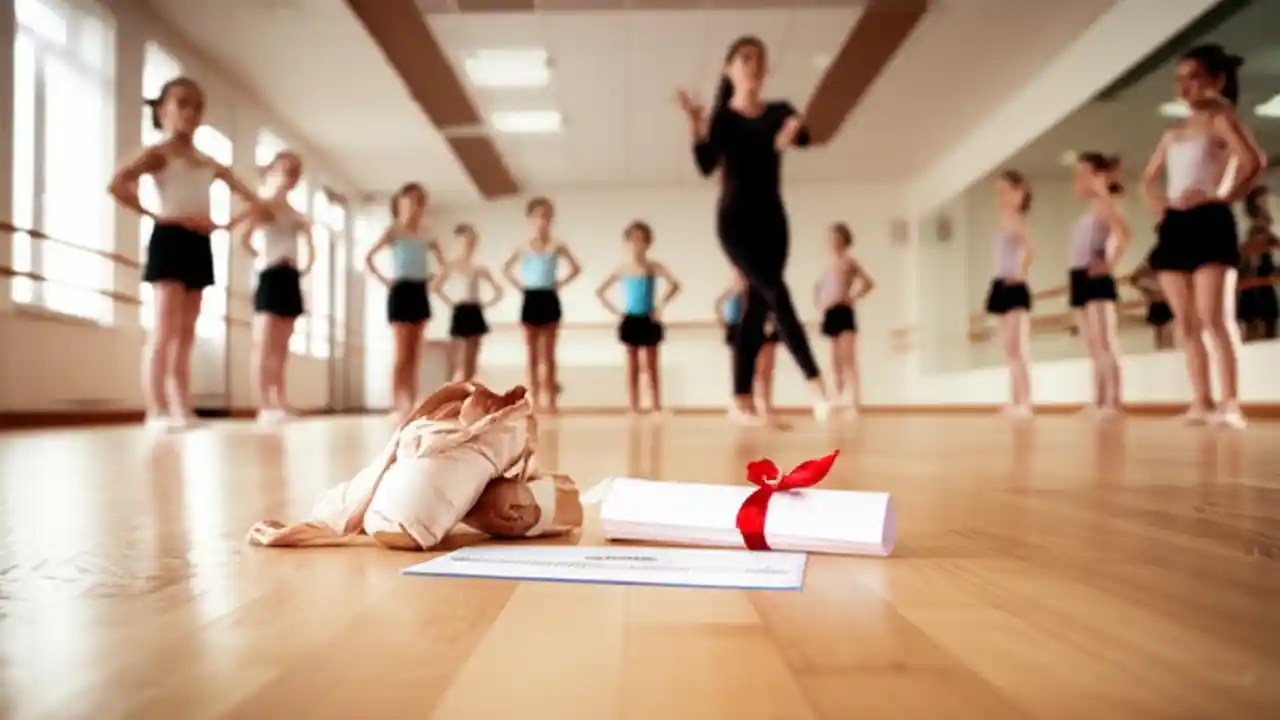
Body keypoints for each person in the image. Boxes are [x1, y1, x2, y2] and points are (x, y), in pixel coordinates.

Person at [678, 35, 831, 425]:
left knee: (757, 307)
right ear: (730, 68)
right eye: (744, 58)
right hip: (735, 222)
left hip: (773, 221)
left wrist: (791, 134)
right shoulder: (724, 119)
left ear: (765, 71)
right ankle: (817, 386)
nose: (752, 64)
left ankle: (741, 400)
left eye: (758, 59)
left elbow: (807, 137)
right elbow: (706, 164)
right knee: (777, 293)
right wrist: (697, 125)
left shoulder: (779, 111)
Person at [107, 76, 261, 432]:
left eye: (196, 105)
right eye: (182, 103)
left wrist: (222, 224)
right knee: (164, 328)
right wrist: (155, 215)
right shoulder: (157, 154)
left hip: (199, 243)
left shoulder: (209, 162)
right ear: (163, 110)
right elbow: (117, 184)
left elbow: (252, 200)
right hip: (169, 238)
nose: (190, 111)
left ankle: (181, 407)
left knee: (187, 330)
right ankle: (156, 408)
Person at [1140, 44, 1266, 428]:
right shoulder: (1172, 132)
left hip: (1211, 220)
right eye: (1179, 79)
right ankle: (1201, 401)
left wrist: (1223, 197)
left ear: (1217, 80)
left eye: (1193, 77)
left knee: (1214, 316)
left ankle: (1231, 404)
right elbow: (1147, 179)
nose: (1184, 87)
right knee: (1187, 321)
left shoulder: (1222, 120)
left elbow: (1254, 161)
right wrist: (1158, 203)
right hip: (1176, 225)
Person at [237, 151, 314, 426]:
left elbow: (309, 244)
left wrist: (305, 262)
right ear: (272, 171)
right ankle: (263, 405)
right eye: (285, 169)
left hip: (290, 277)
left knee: (282, 345)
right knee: (265, 342)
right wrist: (263, 259)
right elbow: (244, 238)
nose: (289, 176)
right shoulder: (264, 206)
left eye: (295, 172)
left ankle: (279, 400)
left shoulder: (295, 214)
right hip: (271, 274)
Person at [364, 183, 445, 419]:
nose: (415, 206)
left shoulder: (427, 234)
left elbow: (443, 264)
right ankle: (397, 402)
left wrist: (434, 281)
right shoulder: (393, 232)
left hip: (419, 290)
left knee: (415, 351)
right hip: (400, 290)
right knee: (402, 351)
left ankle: (410, 400)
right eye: (410, 201)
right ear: (400, 203)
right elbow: (369, 258)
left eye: (420, 202)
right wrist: (386, 281)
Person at [502, 197, 582, 414]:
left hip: (549, 297)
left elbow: (576, 267)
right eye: (538, 216)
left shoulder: (557, 245)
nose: (542, 220)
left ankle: (551, 401)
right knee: (532, 354)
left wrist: (560, 283)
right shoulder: (524, 246)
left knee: (549, 354)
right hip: (531, 298)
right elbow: (506, 269)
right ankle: (534, 399)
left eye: (546, 216)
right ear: (530, 219)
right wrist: (521, 286)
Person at [1068, 153, 1132, 416]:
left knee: (1105, 340)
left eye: (1084, 174)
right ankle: (1098, 399)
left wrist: (1109, 264)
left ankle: (1113, 401)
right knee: (1092, 343)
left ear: (1099, 177)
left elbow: (1124, 234)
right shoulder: (1092, 208)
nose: (1078, 180)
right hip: (1078, 275)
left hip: (1096, 276)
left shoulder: (1107, 204)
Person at [595, 221, 682, 415]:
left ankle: (655, 405)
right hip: (631, 318)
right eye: (633, 239)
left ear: (648, 243)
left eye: (641, 239)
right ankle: (633, 405)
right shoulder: (623, 268)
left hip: (649, 318)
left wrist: (660, 305)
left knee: (652, 364)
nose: (637, 244)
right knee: (632, 364)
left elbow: (675, 284)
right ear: (627, 243)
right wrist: (617, 312)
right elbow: (600, 291)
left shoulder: (653, 266)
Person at [985, 170, 1035, 420]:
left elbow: (1030, 249)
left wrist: (1020, 272)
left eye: (1005, 192)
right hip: (1001, 285)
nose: (1001, 197)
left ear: (1019, 194)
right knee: (1008, 348)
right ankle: (1014, 400)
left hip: (1014, 287)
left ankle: (1024, 402)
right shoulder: (1004, 220)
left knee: (1017, 347)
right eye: (998, 193)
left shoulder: (1015, 219)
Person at [814, 222, 875, 412]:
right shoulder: (828, 266)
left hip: (844, 311)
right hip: (830, 313)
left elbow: (868, 282)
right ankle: (837, 398)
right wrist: (820, 304)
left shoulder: (849, 262)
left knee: (848, 357)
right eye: (830, 238)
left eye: (836, 237)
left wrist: (853, 296)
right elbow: (819, 288)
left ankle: (855, 401)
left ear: (844, 240)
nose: (833, 241)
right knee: (834, 361)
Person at [433, 223, 503, 382]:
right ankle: (455, 393)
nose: (468, 244)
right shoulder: (450, 266)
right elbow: (435, 287)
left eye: (472, 240)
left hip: (475, 310)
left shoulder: (479, 269)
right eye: (465, 240)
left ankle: (468, 393)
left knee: (472, 357)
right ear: (458, 241)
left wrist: (485, 303)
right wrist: (451, 303)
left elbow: (498, 291)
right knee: (458, 357)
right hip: (460, 310)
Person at [716, 271, 781, 421]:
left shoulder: (758, 289)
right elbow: (718, 305)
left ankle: (763, 404)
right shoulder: (735, 290)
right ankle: (744, 404)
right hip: (739, 328)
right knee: (743, 367)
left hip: (758, 326)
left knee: (764, 369)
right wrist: (724, 324)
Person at [1238, 185, 1278, 340]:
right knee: (1254, 324)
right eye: (1263, 201)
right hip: (1252, 281)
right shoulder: (1252, 228)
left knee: (1269, 323)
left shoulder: (1270, 226)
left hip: (1266, 279)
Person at [1131, 260, 1175, 350]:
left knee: (1166, 331)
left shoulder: (1164, 273)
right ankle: (1162, 350)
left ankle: (1167, 350)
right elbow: (1134, 279)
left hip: (1164, 303)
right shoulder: (1144, 274)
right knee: (1158, 331)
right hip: (1155, 304)